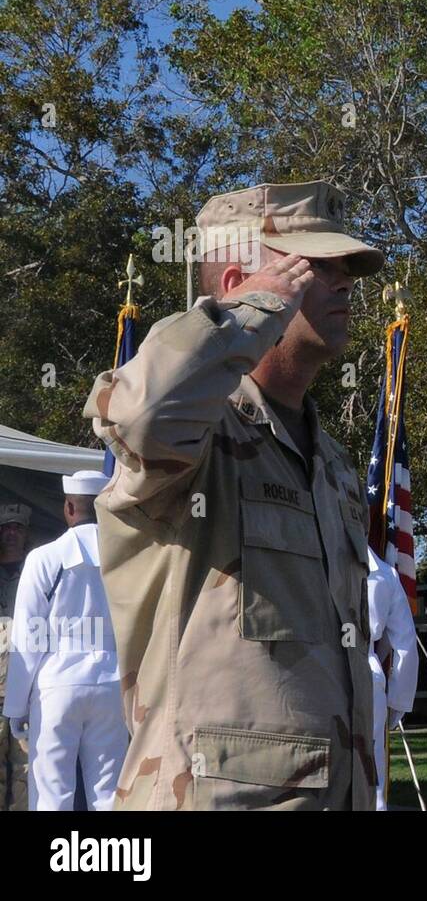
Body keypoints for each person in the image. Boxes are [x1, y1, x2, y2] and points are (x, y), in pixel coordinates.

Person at [84, 180, 383, 810]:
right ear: (237, 286)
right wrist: (250, 313)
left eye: (344, 267)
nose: (343, 282)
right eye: (315, 267)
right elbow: (142, 415)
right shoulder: (200, 434)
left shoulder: (330, 461)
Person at [3, 471, 127, 810]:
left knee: (51, 792)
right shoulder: (128, 558)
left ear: (69, 507)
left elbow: (28, 638)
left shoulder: (45, 558)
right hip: (112, 682)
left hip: (57, 685)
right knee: (110, 792)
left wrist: (15, 706)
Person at [366, 546, 417, 811]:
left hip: (323, 670)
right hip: (368, 669)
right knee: (372, 776)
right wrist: (398, 701)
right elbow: (405, 643)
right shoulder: (386, 574)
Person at [0, 502, 31, 811]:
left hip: (26, 692)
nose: (11, 533)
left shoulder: (38, 572)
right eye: (6, 527)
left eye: (17, 528)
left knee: (25, 770)